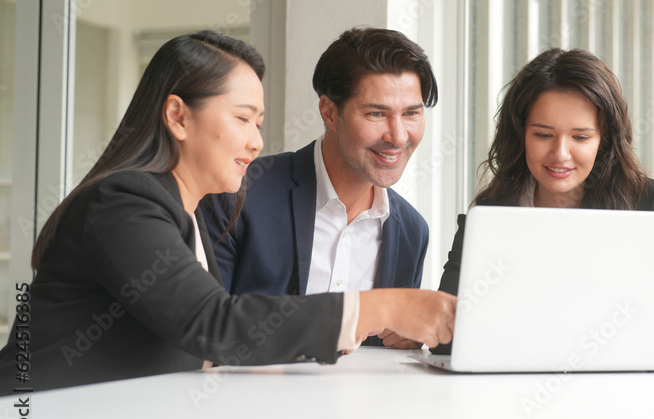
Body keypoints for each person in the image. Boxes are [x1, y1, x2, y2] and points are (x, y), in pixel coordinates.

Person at [0, 31, 455, 394]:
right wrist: (384, 306)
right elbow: (213, 323)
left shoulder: (184, 214)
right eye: (242, 119)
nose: (257, 142)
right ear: (178, 117)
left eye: (258, 123)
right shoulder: (124, 200)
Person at [435, 48, 654, 358]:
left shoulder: (651, 204)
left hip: (619, 392)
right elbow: (445, 335)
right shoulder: (493, 211)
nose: (560, 153)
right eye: (543, 134)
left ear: (605, 140)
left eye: (581, 137)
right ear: (521, 135)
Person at [201, 27, 434, 350]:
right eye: (376, 113)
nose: (397, 136)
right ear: (329, 112)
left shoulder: (411, 231)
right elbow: (207, 333)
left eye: (411, 113)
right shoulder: (240, 193)